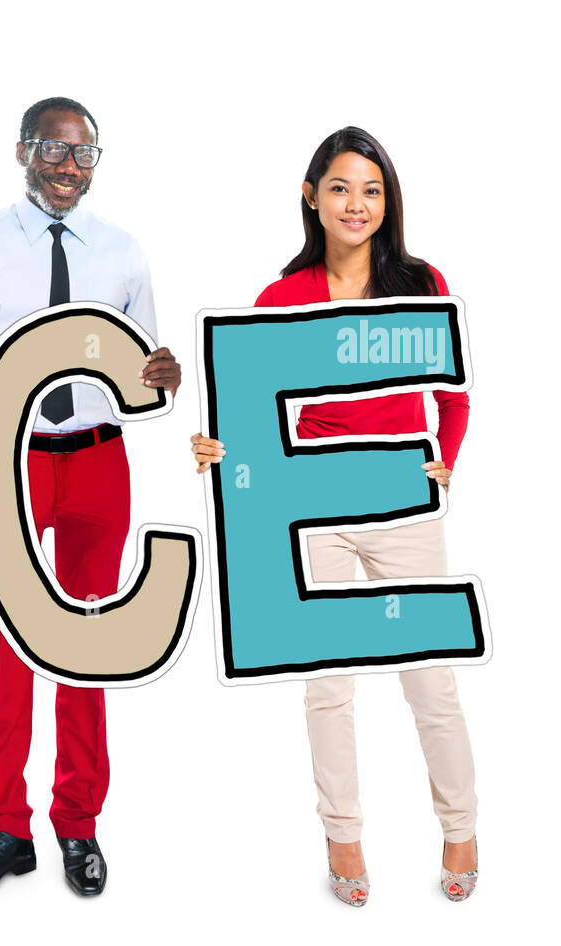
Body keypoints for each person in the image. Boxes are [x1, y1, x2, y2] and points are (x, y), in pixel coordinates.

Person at [191, 126, 479, 906]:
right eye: (343, 187)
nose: (358, 204)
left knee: (430, 675)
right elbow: (250, 411)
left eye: (373, 189)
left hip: (397, 501)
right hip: (311, 506)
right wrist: (219, 448)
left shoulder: (420, 281)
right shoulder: (281, 299)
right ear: (311, 196)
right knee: (328, 682)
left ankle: (460, 824)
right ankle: (342, 832)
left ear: (389, 204)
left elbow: (450, 394)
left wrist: (443, 459)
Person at [0, 97, 181, 897]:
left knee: (89, 644)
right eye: (55, 150)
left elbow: (147, 373)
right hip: (11, 462)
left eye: (84, 154)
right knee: (8, 653)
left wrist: (167, 376)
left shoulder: (124, 251)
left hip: (102, 462)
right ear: (22, 151)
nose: (70, 167)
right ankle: (6, 828)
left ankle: (79, 824)